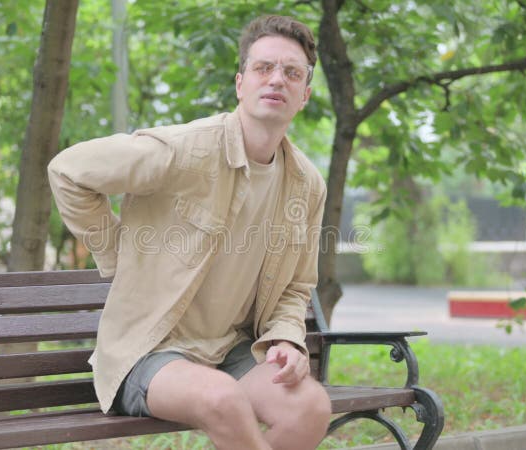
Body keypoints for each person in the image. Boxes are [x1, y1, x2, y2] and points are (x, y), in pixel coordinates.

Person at [48, 15, 330, 450]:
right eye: (263, 68)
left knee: (310, 408)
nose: (277, 79)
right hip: (148, 352)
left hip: (232, 353)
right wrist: (118, 253)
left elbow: (296, 287)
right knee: (224, 399)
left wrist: (288, 341)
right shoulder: (183, 150)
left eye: (292, 73)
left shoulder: (306, 185)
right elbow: (67, 171)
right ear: (240, 83)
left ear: (305, 94)